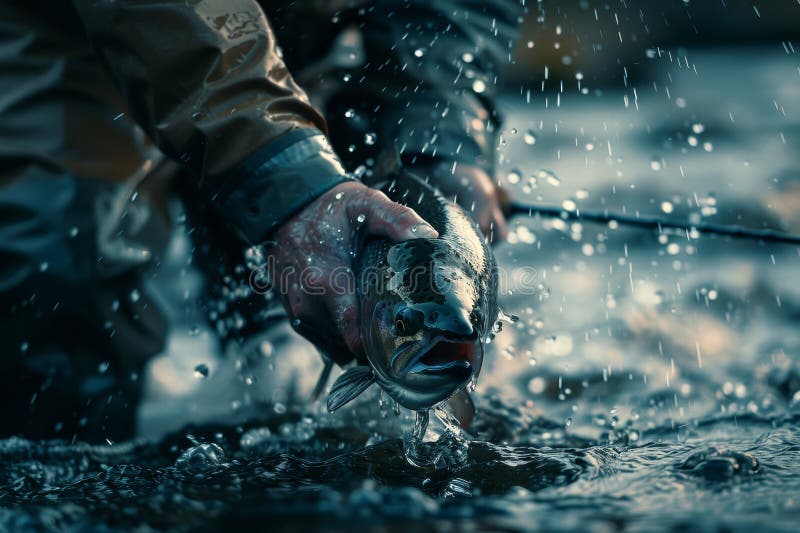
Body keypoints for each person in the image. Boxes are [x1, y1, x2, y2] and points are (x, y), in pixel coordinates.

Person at [0, 0, 521, 442]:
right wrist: (287, 181)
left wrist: (440, 145)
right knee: (53, 276)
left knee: (275, 315)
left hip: (297, 28)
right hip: (64, 27)